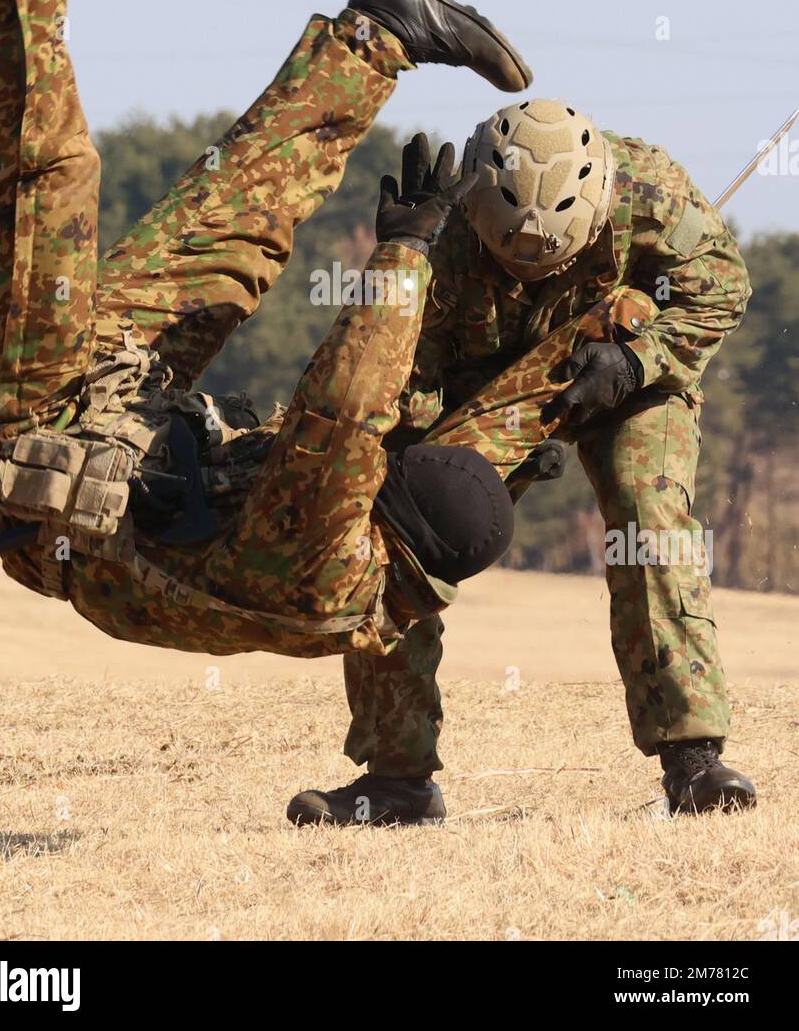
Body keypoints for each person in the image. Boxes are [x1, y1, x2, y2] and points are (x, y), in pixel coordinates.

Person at [0, 0, 533, 682]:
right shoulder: (381, 569)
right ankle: (380, 30)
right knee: (233, 245)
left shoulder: (327, 561)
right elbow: (398, 447)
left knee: (48, 178)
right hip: (118, 407)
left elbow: (344, 413)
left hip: (17, 429)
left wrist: (403, 253)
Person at [288, 102, 759, 824]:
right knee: (398, 532)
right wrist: (431, 470)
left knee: (649, 517)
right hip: (486, 393)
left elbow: (722, 288)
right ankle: (397, 781)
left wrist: (636, 364)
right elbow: (398, 382)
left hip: (629, 375)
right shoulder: (439, 237)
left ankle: (693, 762)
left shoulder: (648, 190)